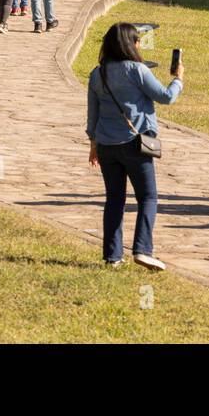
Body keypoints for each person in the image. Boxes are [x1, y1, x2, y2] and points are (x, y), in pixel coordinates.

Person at [86, 22, 184, 270]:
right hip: (134, 143)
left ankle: (112, 256)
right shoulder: (137, 70)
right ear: (130, 44)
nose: (140, 44)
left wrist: (93, 144)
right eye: (137, 40)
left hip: (106, 144)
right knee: (148, 197)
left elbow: (92, 114)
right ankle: (142, 249)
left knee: (114, 199)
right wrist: (178, 79)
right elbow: (166, 96)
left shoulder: (98, 74)